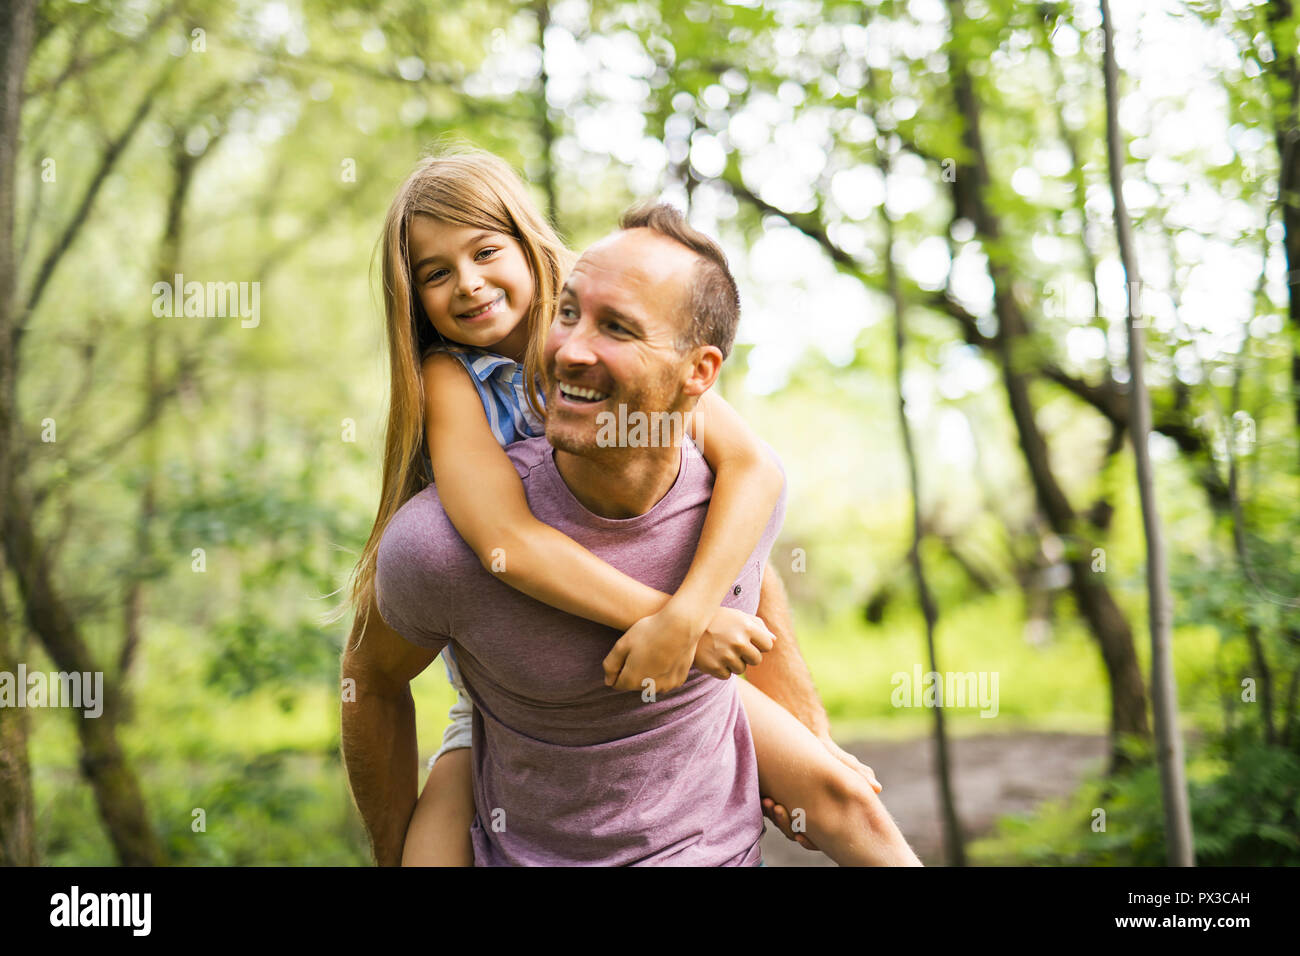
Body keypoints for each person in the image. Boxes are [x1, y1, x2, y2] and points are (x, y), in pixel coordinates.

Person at [339, 149, 921, 866]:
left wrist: (692, 620)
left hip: (678, 668)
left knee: (847, 798)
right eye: (435, 273)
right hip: (502, 703)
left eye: (486, 251)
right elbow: (506, 541)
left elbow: (752, 471)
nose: (468, 284)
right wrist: (668, 619)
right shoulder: (450, 379)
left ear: (528, 244)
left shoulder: (620, 332)